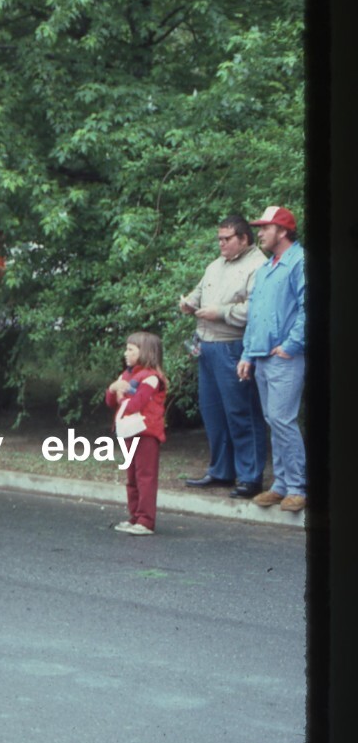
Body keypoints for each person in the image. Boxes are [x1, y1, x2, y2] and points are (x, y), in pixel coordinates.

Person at [178, 214, 268, 498]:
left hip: (233, 345)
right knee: (213, 411)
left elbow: (257, 309)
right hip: (206, 345)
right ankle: (221, 471)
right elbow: (199, 292)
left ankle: (250, 477)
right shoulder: (215, 265)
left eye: (226, 239)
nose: (221, 244)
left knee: (241, 411)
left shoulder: (258, 265)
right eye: (219, 239)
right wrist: (189, 303)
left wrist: (221, 312)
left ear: (243, 239)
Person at [235, 205, 307, 512]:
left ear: (283, 231)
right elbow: (255, 316)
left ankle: (298, 487)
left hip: (285, 357)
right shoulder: (265, 268)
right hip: (262, 356)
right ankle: (280, 485)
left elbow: (309, 308)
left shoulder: (300, 261)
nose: (260, 233)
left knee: (282, 419)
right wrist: (247, 354)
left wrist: (291, 345)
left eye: (266, 228)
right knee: (273, 420)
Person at [106, 331, 168, 536]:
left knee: (145, 476)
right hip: (129, 431)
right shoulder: (126, 375)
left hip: (146, 432)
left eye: (130, 349)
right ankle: (135, 516)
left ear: (145, 352)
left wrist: (121, 392)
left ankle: (146, 520)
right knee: (132, 476)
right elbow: (110, 401)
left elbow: (136, 403)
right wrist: (113, 389)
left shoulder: (152, 378)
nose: (126, 353)